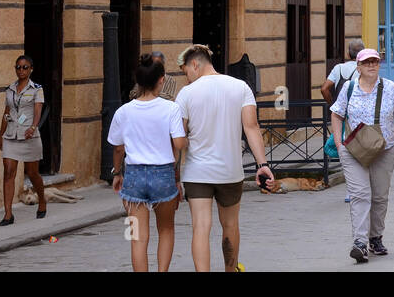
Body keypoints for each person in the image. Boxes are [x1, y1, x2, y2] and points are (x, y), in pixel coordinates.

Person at [175, 44, 276, 273]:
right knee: (230, 225)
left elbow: (179, 139)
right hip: (230, 171)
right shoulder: (241, 87)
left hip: (197, 172)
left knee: (200, 227)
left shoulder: (186, 94)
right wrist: (263, 165)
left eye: (186, 72)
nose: (187, 78)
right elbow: (251, 128)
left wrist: (175, 174)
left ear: (194, 64)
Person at [330, 48, 394, 263]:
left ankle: (375, 237)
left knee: (379, 196)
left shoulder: (389, 87)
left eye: (375, 62)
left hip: (384, 150)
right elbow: (337, 114)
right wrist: (339, 143)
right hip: (354, 151)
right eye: (366, 62)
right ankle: (359, 243)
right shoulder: (349, 88)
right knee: (360, 194)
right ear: (358, 67)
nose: (371, 65)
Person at [108, 54, 188, 272]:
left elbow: (117, 147)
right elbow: (179, 144)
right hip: (163, 175)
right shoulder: (171, 109)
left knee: (137, 238)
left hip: (134, 176)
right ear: (161, 80)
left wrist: (117, 173)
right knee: (166, 230)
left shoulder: (123, 112)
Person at [0, 54, 46, 226]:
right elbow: (6, 112)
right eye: (18, 67)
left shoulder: (36, 89)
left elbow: (38, 110)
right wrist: (0, 133)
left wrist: (33, 127)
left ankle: (42, 200)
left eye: (25, 67)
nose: (21, 70)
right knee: (8, 171)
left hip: (29, 136)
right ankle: (8, 214)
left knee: (32, 173)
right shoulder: (10, 89)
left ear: (31, 69)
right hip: (11, 134)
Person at [321, 40, 362, 107]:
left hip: (339, 112)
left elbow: (324, 89)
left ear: (348, 55)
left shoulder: (338, 68)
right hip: (356, 111)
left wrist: (332, 105)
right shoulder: (363, 69)